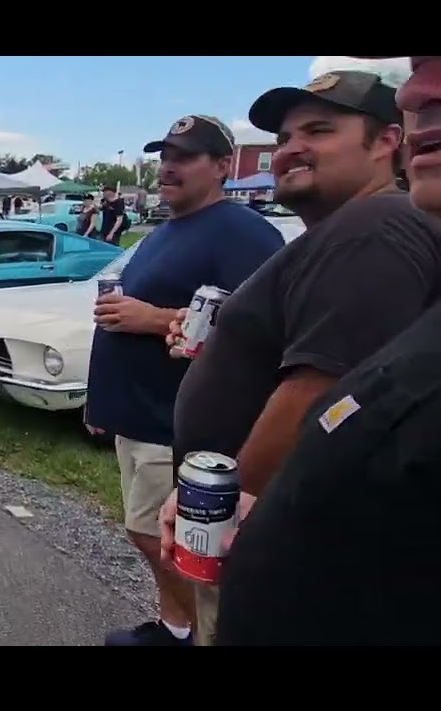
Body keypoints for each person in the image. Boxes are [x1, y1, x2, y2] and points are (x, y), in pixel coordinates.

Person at [155, 56, 441, 646]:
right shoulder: (344, 232)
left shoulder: (374, 226)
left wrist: (223, 505)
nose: (288, 149)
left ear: (388, 141)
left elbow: (317, 387)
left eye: (318, 131)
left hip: (268, 541)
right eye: (283, 137)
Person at [87, 113, 285, 647]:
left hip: (177, 426)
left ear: (223, 166)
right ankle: (174, 629)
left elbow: (264, 329)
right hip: (139, 417)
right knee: (148, 533)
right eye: (164, 156)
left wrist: (151, 319)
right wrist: (103, 407)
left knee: (170, 542)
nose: (168, 167)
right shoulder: (167, 228)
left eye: (184, 157)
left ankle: (210, 635)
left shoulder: (242, 232)